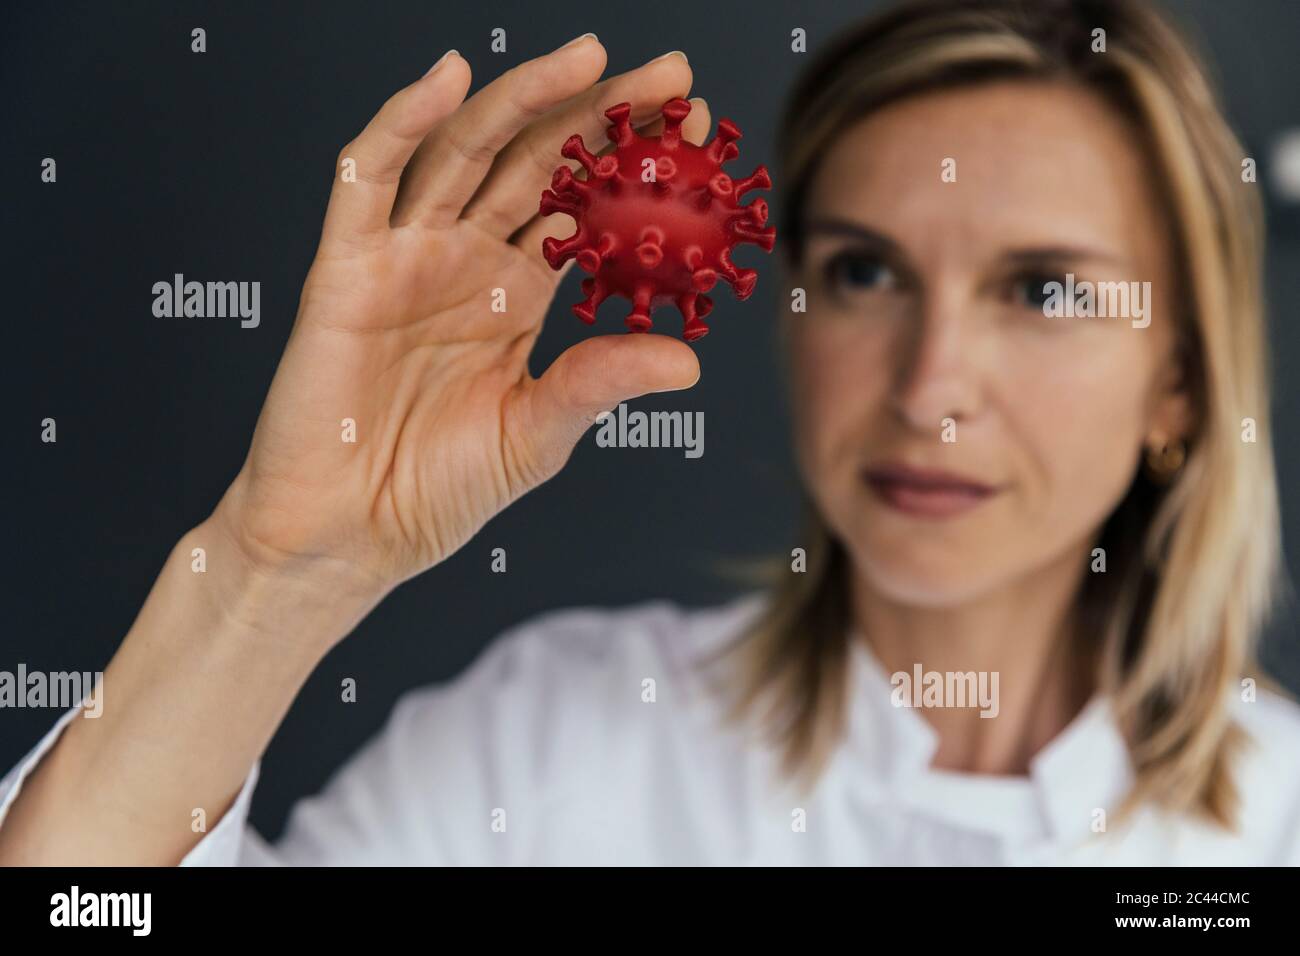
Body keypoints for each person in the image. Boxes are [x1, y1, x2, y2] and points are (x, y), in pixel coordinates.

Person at [2, 0, 1297, 865]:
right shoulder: (556, 736)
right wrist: (278, 574)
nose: (930, 386)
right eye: (863, 273)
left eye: (1047, 290)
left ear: (1179, 379)